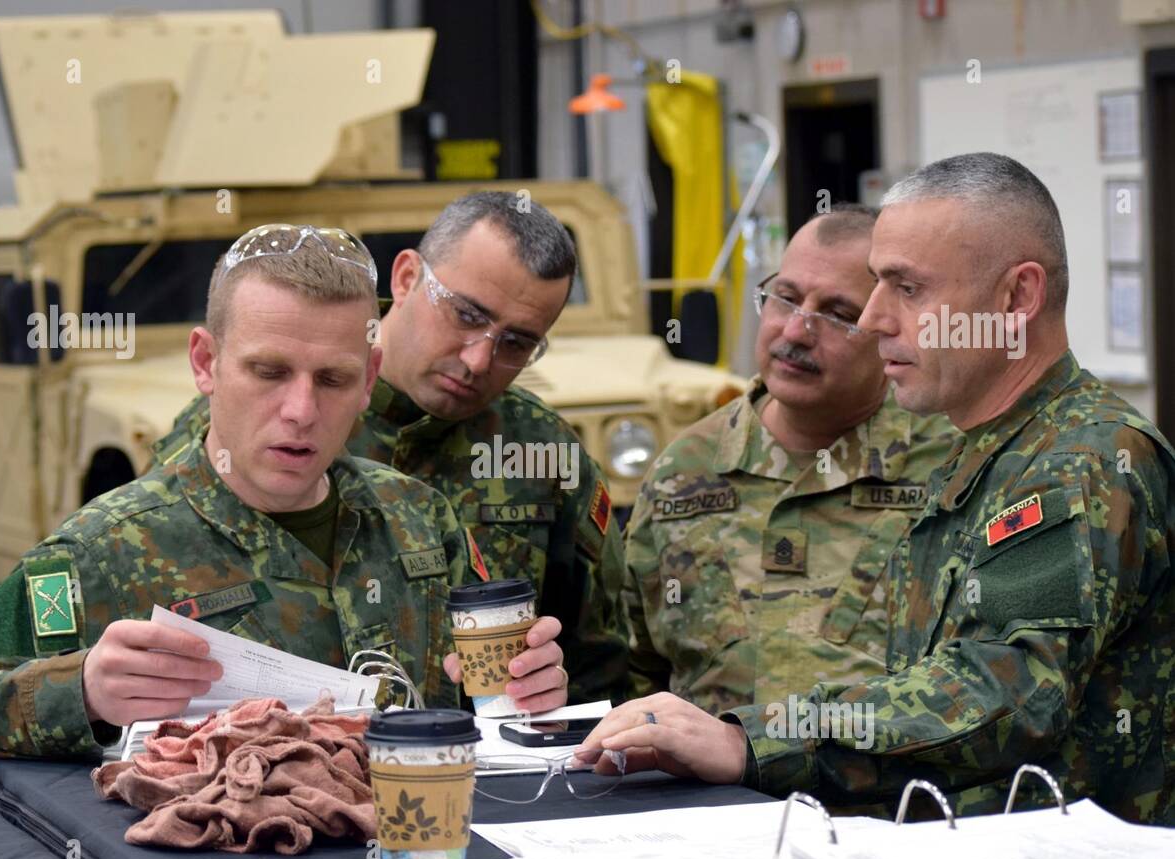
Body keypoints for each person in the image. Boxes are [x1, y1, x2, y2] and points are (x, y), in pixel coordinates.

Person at [581, 153, 1175, 824]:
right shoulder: (988, 452)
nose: (871, 320)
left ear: (1016, 298)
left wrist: (751, 739)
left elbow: (1004, 691)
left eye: (907, 289)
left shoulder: (1080, 460)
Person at [0, 224, 566, 774]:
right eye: (268, 372)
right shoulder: (111, 547)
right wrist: (83, 692)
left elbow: (494, 702)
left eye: (332, 379)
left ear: (369, 380)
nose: (300, 411)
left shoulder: (419, 522)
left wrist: (527, 692)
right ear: (206, 364)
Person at [157, 193, 628, 705]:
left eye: (516, 343)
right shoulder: (242, 426)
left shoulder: (539, 449)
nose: (478, 359)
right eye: (466, 315)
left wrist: (545, 693)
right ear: (406, 278)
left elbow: (601, 660)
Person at [624, 205, 954, 714]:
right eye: (786, 298)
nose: (797, 331)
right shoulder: (684, 471)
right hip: (715, 794)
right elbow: (632, 669)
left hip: (887, 792)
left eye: (839, 315)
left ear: (893, 331)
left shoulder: (951, 469)